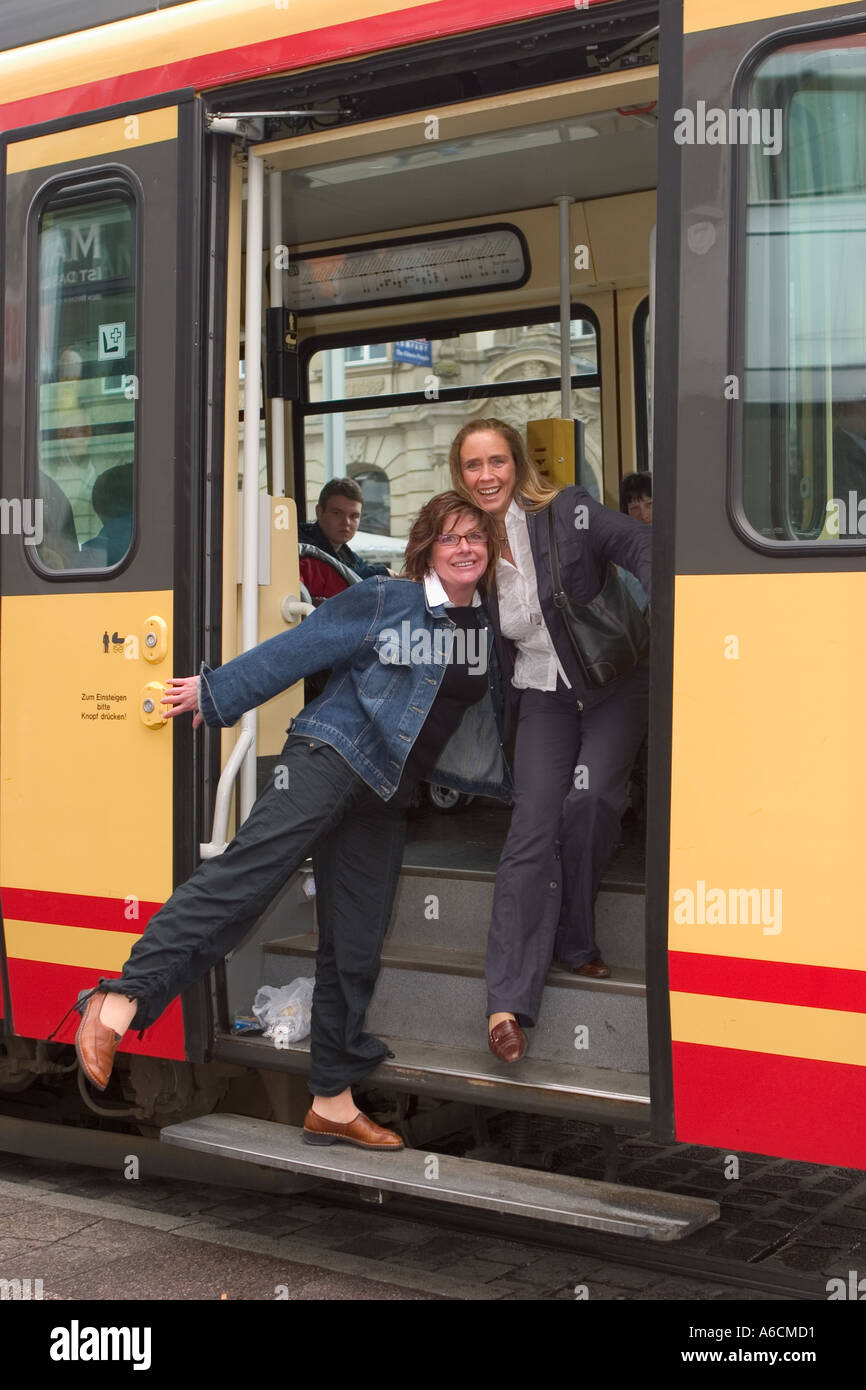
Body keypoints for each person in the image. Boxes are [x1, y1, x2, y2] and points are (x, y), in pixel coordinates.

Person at [59, 492, 510, 1150]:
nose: (464, 547)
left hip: (385, 790)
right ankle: (119, 1000)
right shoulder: (390, 598)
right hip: (329, 757)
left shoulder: (484, 628)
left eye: (477, 537)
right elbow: (303, 645)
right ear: (427, 549)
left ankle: (330, 1099)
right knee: (247, 879)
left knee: (357, 939)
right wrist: (217, 693)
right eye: (450, 538)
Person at [449, 419, 651, 1063]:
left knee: (587, 803)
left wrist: (676, 613)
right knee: (531, 828)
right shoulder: (468, 543)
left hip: (615, 683)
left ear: (517, 465)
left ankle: (575, 939)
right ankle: (505, 1002)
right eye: (473, 465)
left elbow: (644, 544)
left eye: (497, 461)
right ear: (461, 474)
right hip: (543, 696)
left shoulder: (569, 511)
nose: (487, 475)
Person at [299, 477, 391, 582]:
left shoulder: (350, 557)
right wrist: (385, 572)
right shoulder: (300, 544)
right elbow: (332, 577)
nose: (346, 522)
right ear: (319, 512)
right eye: (337, 513)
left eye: (354, 516)